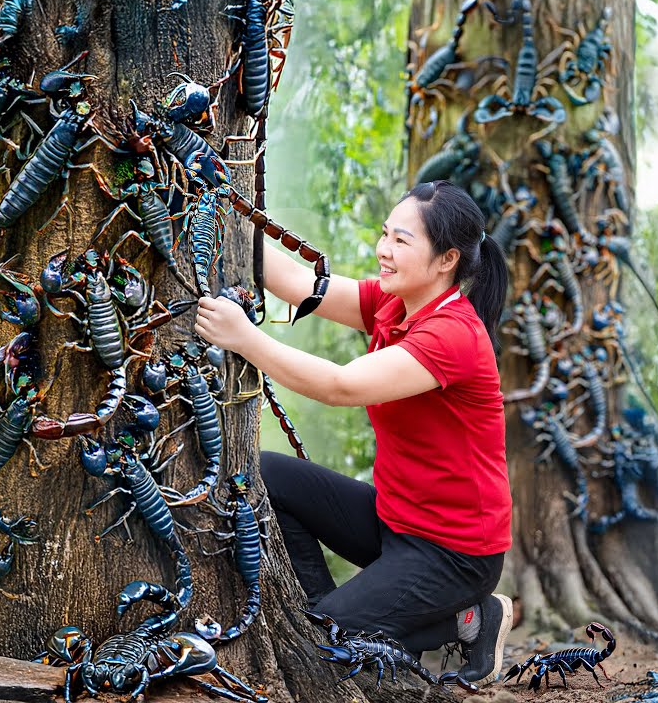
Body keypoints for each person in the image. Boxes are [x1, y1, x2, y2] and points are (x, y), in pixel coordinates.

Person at [194, 180, 513, 685]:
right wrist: (212, 208)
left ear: (446, 260)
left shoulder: (452, 335)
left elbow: (341, 386)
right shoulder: (394, 303)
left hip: (454, 554)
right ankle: (325, 614)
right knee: (264, 474)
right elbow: (300, 284)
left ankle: (465, 618)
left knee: (322, 649)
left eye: (402, 242)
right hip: (396, 521)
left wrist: (244, 337)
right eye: (386, 234)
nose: (384, 250)